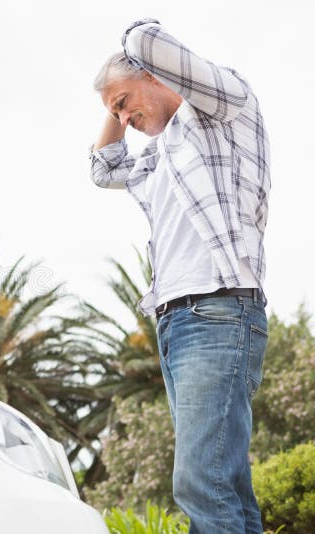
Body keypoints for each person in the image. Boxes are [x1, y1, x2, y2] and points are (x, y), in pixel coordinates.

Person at [89, 19, 271, 533]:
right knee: (226, 482)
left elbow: (144, 38)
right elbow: (103, 169)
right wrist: (115, 108)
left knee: (199, 481)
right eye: (115, 111)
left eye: (125, 102)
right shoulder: (159, 157)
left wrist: (128, 61)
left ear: (152, 73)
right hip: (178, 322)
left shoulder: (221, 111)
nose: (124, 117)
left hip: (217, 310)